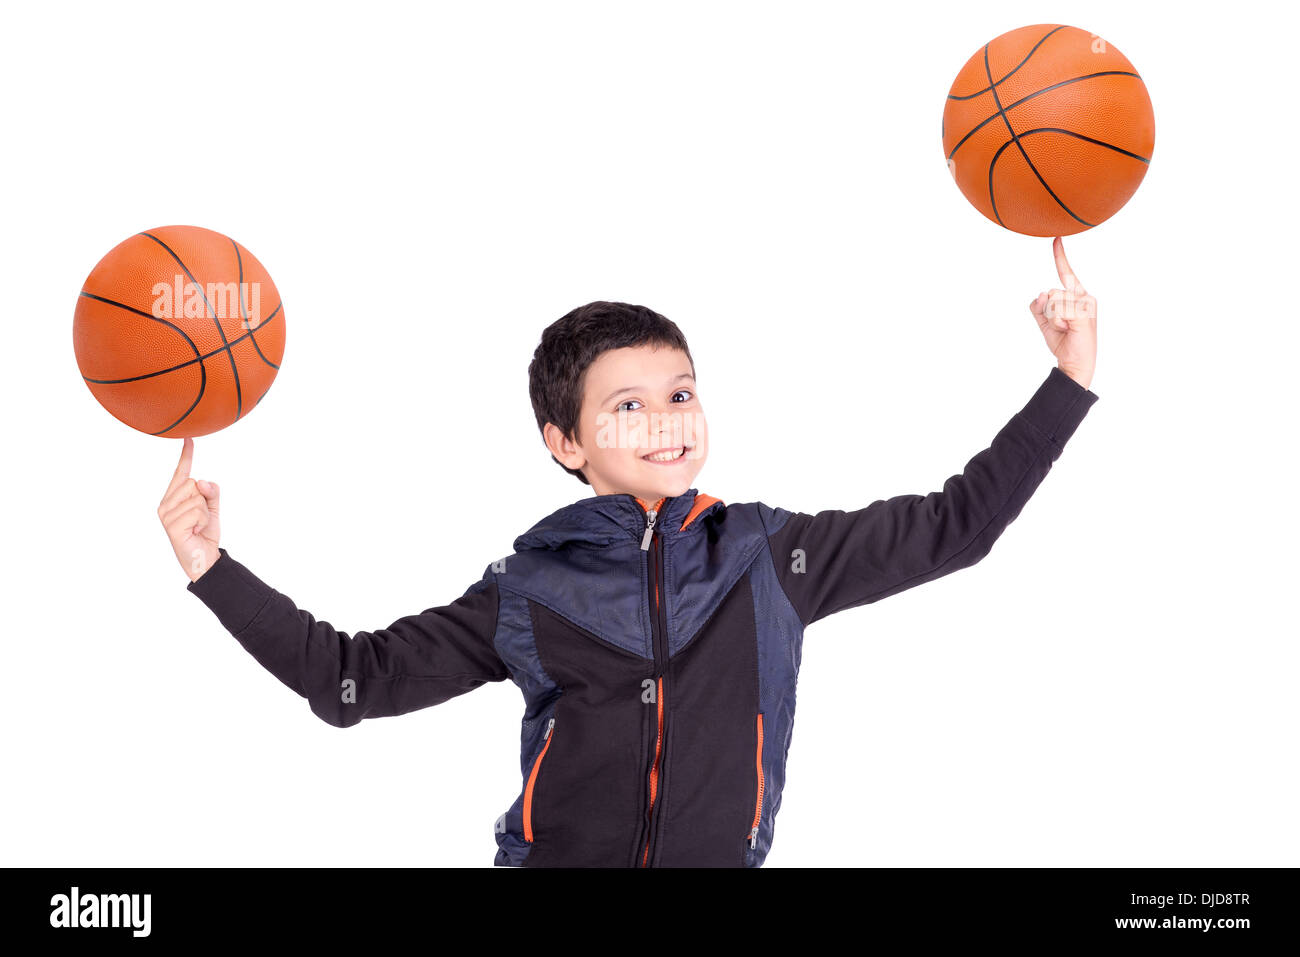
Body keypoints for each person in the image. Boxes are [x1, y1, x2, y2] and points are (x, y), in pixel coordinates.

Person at [159, 237, 1099, 867]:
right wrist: (212, 566)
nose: (666, 422)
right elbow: (351, 680)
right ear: (564, 441)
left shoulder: (774, 555)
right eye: (629, 404)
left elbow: (956, 525)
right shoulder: (528, 592)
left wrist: (1067, 378)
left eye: (681, 394)